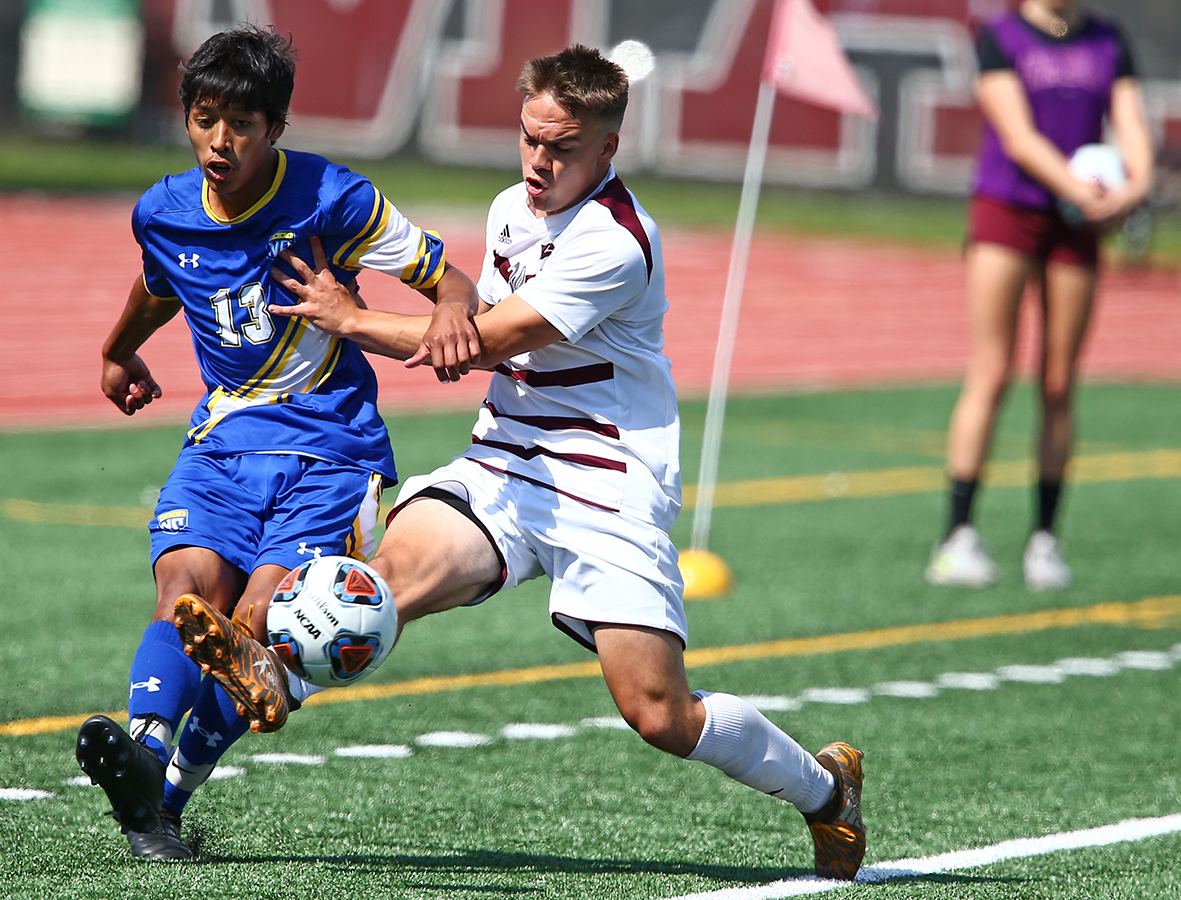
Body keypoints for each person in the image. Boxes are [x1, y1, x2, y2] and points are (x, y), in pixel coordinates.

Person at [176, 45, 867, 882]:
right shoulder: (512, 207)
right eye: (530, 139)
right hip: (505, 464)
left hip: (605, 489)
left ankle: (827, 791)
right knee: (375, 584)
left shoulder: (614, 244)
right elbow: (469, 321)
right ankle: (214, 732)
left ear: (606, 150)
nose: (539, 162)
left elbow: (485, 343)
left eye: (562, 148)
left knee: (658, 713)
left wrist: (350, 318)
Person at [74, 25, 480, 862]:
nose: (221, 141)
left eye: (244, 124)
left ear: (277, 129)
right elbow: (161, 281)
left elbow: (450, 277)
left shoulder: (334, 199)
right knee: (186, 597)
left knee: (258, 623)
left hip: (333, 451)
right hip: (222, 444)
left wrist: (449, 316)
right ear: (186, 115)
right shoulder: (162, 209)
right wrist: (118, 351)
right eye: (206, 117)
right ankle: (148, 760)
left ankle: (167, 796)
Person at [927, 0, 1153, 590]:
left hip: (1079, 222)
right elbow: (1020, 138)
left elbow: (1133, 129)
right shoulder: (1001, 36)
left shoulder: (1108, 39)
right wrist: (1084, 190)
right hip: (1008, 210)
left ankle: (1045, 542)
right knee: (993, 371)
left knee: (1059, 382)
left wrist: (1132, 191)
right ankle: (957, 537)